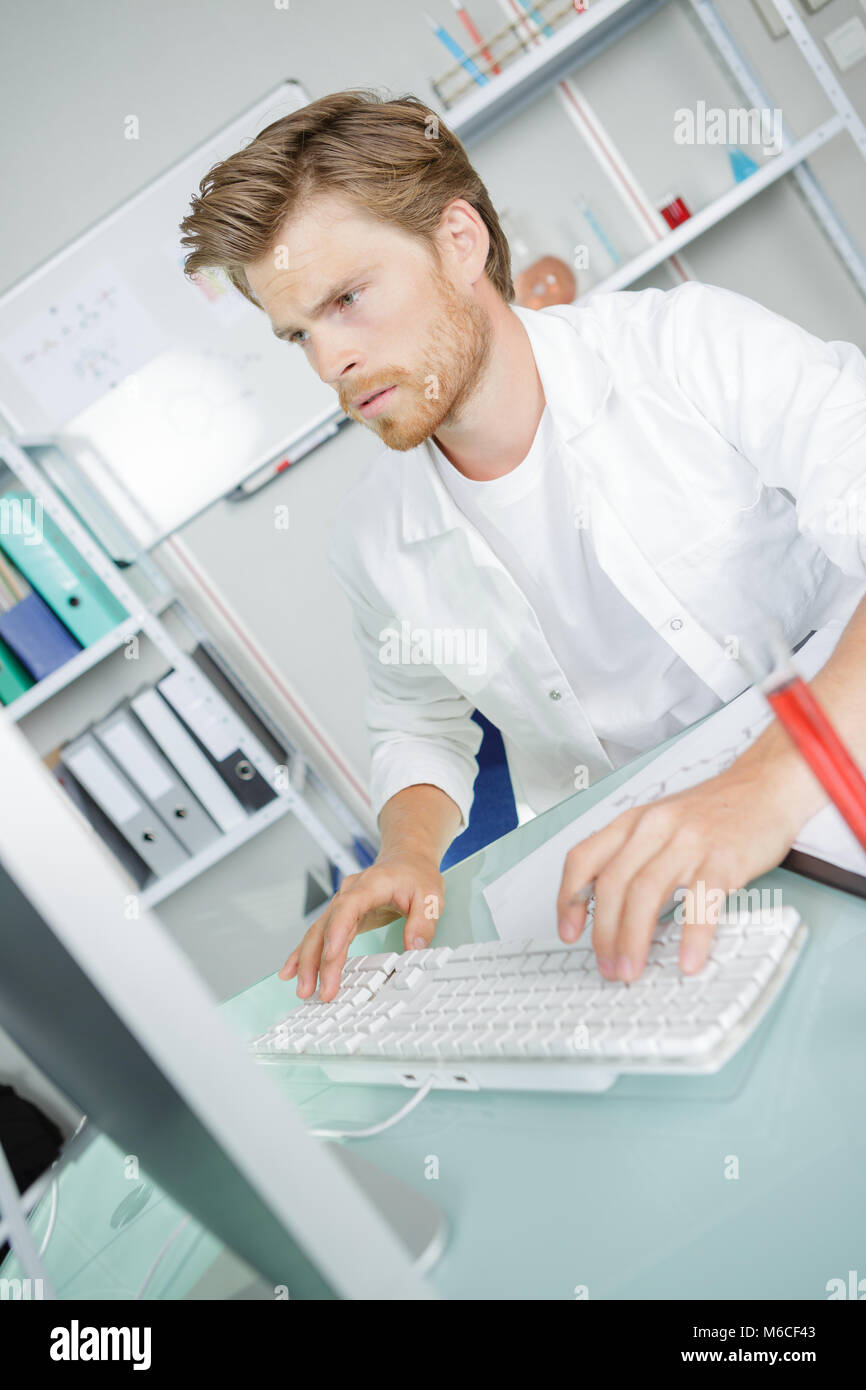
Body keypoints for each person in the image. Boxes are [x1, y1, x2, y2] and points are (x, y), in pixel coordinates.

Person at [180, 89, 866, 1003]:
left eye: (347, 299)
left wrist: (768, 785)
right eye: (299, 333)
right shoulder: (373, 537)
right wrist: (410, 851)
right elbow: (417, 724)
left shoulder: (689, 346)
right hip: (650, 866)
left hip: (835, 754)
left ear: (460, 242)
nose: (326, 364)